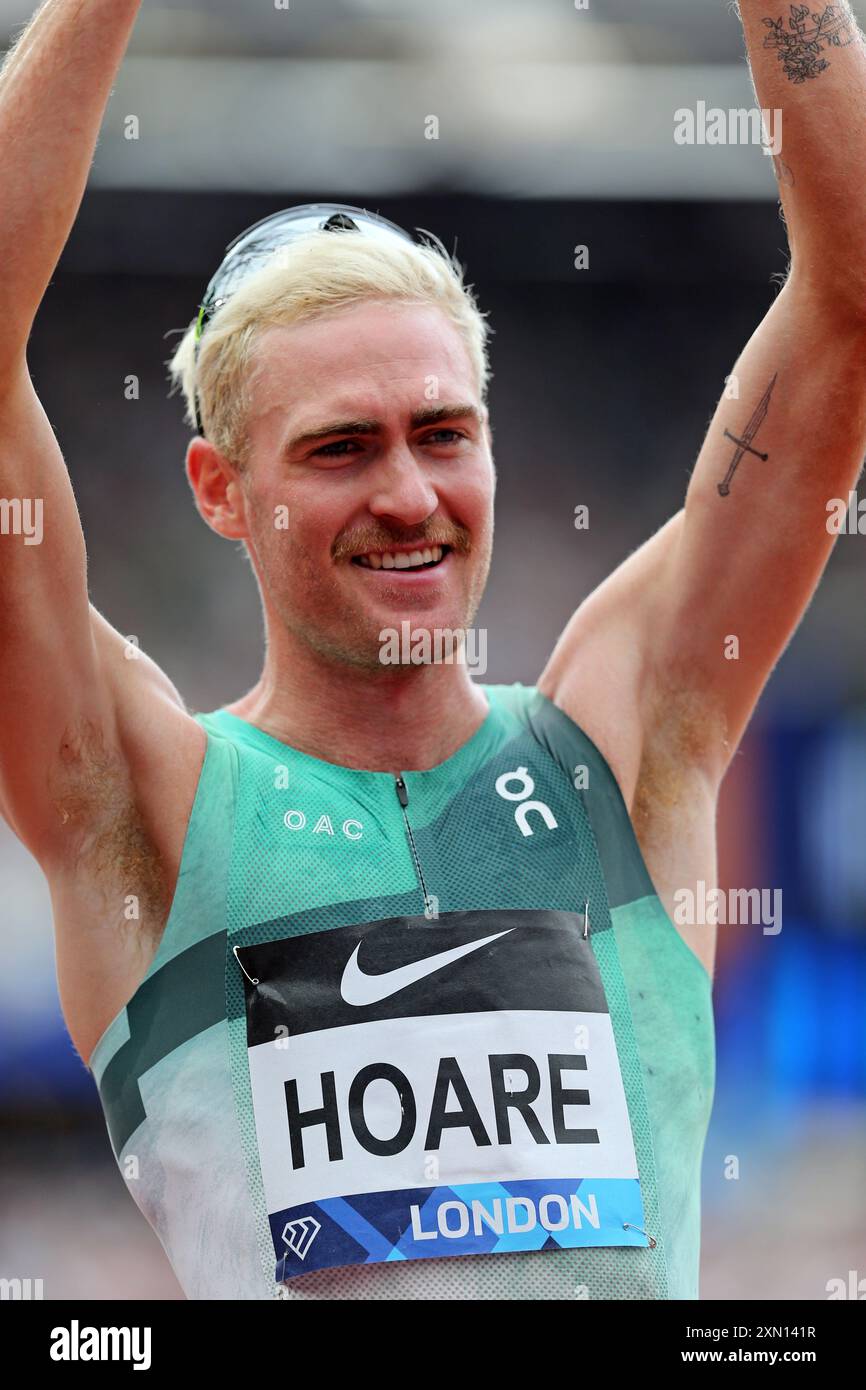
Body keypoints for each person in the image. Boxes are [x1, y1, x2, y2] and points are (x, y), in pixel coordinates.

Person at [2, 0, 865, 1301]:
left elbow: (850, 296)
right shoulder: (145, 807)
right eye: (340, 447)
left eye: (443, 432)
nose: (408, 492)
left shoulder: (623, 743)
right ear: (219, 489)